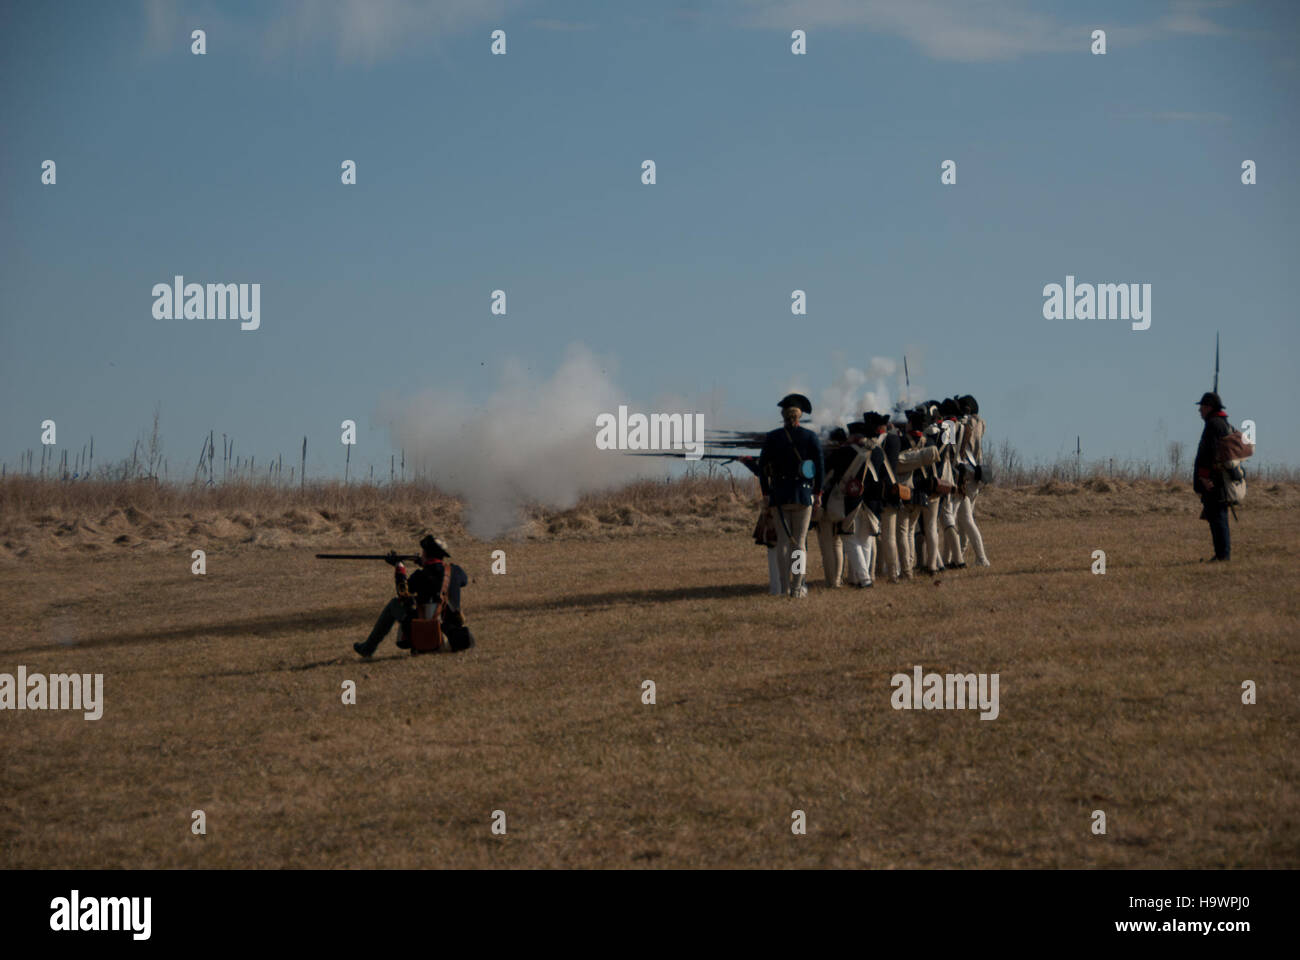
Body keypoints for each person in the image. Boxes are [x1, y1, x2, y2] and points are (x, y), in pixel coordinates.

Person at [354, 534, 472, 657]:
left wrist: (399, 569)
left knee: (394, 604)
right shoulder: (455, 571)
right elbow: (461, 580)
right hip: (452, 636)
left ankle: (368, 648)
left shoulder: (420, 576)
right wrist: (426, 565)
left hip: (427, 633)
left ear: (425, 553)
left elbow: (403, 593)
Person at [759, 393, 824, 597]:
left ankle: (784, 586)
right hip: (803, 495)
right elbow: (820, 467)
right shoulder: (810, 436)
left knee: (783, 544)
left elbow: (762, 468)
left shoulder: (773, 437)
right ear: (799, 416)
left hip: (779, 495)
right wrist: (818, 492)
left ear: (784, 415)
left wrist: (766, 493)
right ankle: (797, 588)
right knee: (799, 542)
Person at [1193, 391, 1232, 562]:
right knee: (1217, 517)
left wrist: (1204, 477)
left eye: (1201, 407)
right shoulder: (1221, 423)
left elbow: (1210, 454)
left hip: (1214, 480)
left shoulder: (1214, 425)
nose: (1199, 410)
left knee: (1218, 519)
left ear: (1209, 407)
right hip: (1218, 479)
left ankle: (1222, 555)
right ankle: (1221, 554)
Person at [955, 394, 990, 567]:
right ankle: (959, 556)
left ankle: (981, 558)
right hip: (976, 478)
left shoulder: (965, 425)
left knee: (966, 519)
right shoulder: (981, 424)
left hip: (966, 479)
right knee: (963, 522)